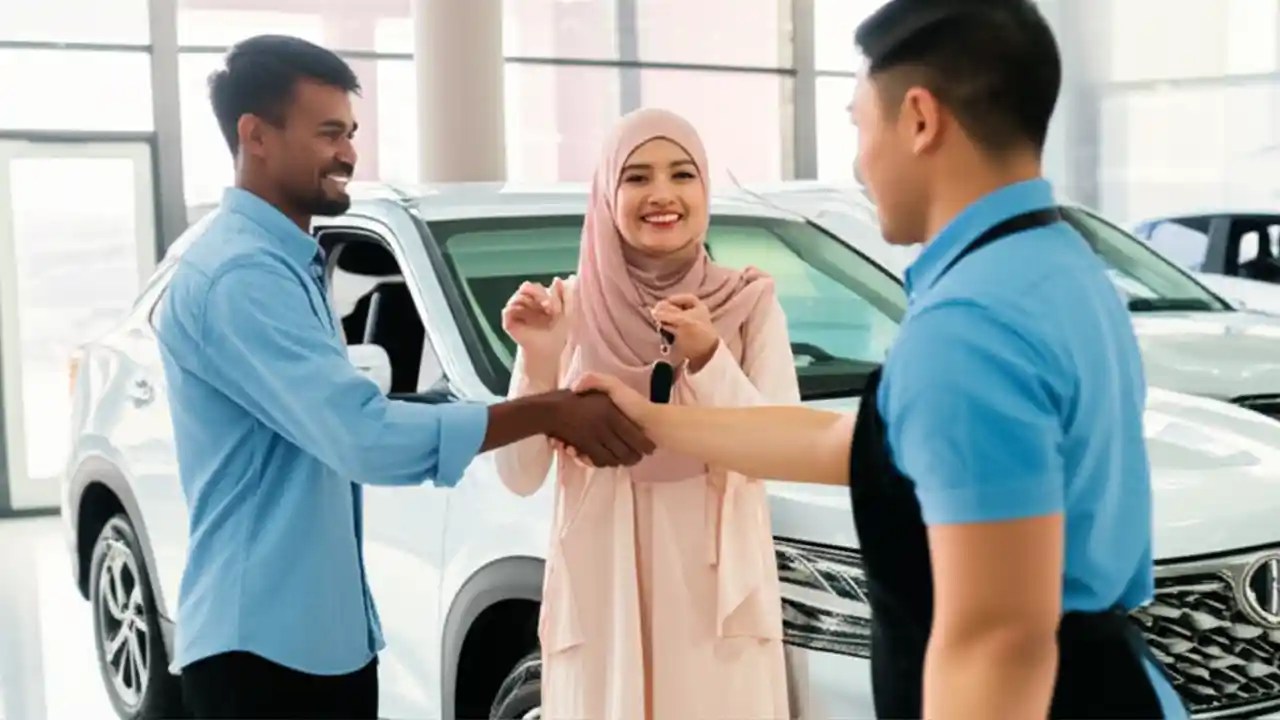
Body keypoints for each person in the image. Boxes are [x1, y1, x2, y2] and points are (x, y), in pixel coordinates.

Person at [575, 2, 1190, 718]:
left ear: (920, 120)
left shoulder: (971, 326)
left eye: (860, 125)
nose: (859, 161)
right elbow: (866, 447)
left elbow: (997, 641)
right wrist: (651, 419)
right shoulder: (1056, 270)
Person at [153, 35, 653, 719]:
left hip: (315, 642)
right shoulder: (241, 278)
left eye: (351, 132)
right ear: (255, 136)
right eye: (329, 132)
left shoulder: (284, 261)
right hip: (263, 658)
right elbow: (362, 434)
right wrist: (550, 411)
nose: (349, 153)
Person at [493, 107, 798, 720]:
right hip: (604, 595)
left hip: (713, 602)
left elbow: (783, 449)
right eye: (636, 177)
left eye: (682, 174)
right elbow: (518, 475)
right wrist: (540, 355)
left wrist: (709, 355)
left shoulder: (747, 303)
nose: (662, 195)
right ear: (608, 192)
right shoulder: (567, 308)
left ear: (704, 189)